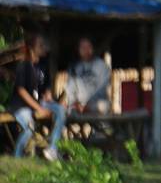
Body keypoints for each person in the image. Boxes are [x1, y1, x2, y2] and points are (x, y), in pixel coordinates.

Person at [8, 32, 66, 161]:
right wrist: (39, 109)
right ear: (33, 47)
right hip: (21, 106)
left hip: (38, 103)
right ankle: (16, 158)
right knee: (29, 129)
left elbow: (45, 88)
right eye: (41, 45)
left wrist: (48, 96)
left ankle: (52, 149)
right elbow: (21, 91)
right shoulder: (23, 65)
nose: (44, 47)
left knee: (60, 109)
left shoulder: (43, 65)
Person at [67, 37, 111, 114]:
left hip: (95, 103)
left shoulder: (102, 66)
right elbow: (71, 89)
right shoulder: (73, 67)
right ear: (78, 49)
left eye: (88, 47)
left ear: (92, 48)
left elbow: (102, 89)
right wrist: (77, 103)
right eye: (83, 47)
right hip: (78, 105)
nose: (86, 50)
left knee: (103, 105)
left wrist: (87, 105)